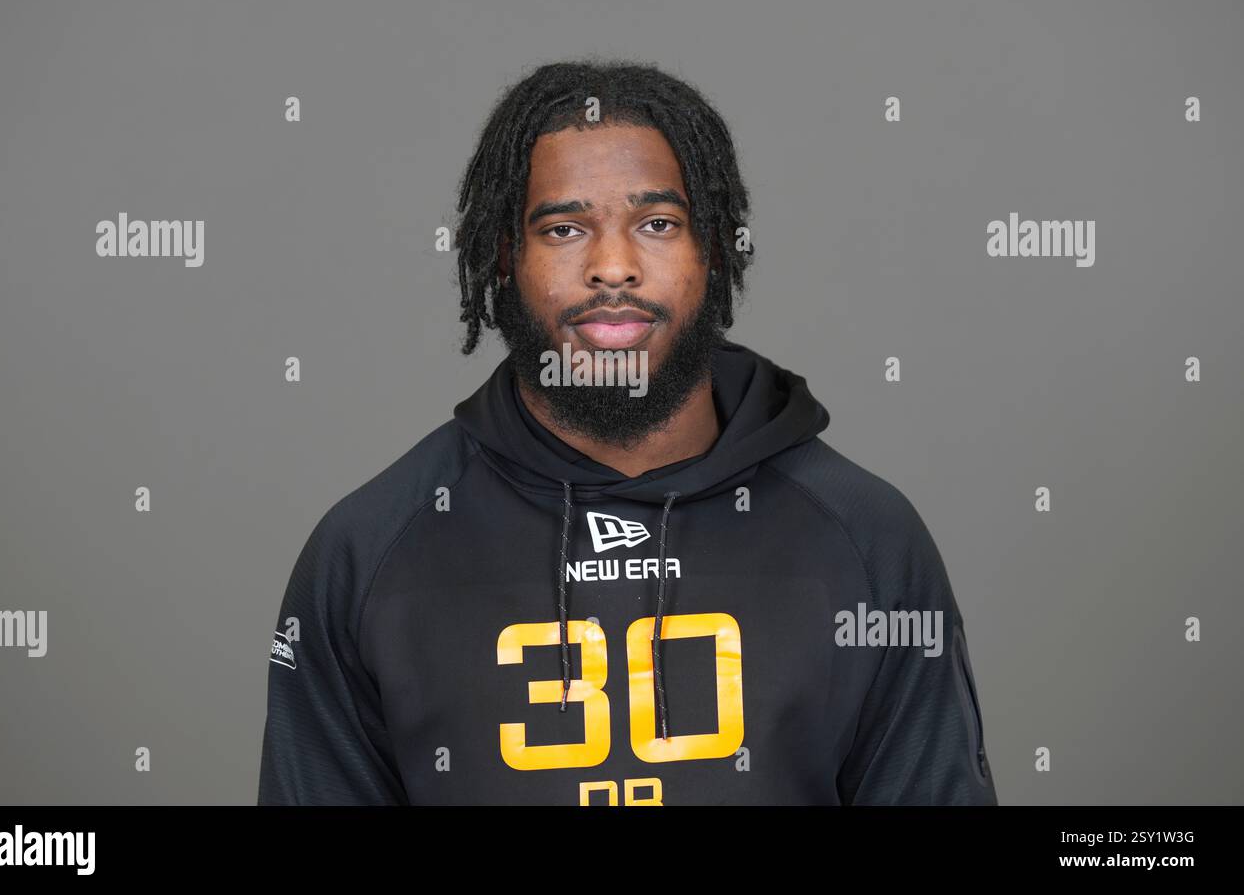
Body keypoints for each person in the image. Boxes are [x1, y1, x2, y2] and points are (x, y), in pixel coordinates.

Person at [256, 59, 997, 805]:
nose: (613, 267)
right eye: (564, 228)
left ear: (713, 251)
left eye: (657, 224)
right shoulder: (370, 552)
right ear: (506, 258)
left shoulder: (866, 539)